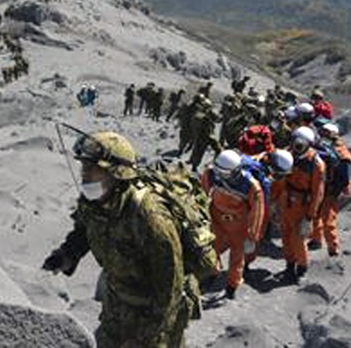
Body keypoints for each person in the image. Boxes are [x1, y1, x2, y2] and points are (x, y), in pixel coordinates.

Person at [43, 131, 186, 347]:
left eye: (93, 169)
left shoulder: (149, 215)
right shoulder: (94, 200)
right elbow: (84, 229)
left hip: (154, 311)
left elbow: (171, 284)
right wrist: (68, 254)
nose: (85, 174)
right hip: (117, 301)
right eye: (84, 167)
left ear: (117, 173)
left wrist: (154, 334)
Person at [200, 151, 264, 299]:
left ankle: (232, 285)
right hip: (216, 218)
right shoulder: (211, 174)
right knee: (212, 248)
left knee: (237, 255)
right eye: (219, 171)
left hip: (239, 223)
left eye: (225, 173)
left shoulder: (251, 186)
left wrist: (252, 235)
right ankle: (212, 273)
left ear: (236, 171)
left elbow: (257, 211)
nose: (221, 176)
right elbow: (202, 193)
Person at [279, 126, 325, 282]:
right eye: (295, 143)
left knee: (298, 240)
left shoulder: (315, 164)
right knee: (285, 237)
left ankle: (302, 267)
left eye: (301, 144)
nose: (297, 147)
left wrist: (310, 217)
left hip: (302, 206)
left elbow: (317, 193)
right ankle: (289, 265)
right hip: (286, 202)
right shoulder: (288, 155)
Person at [309, 123, 351, 256]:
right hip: (321, 186)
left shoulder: (342, 153)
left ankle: (333, 248)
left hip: (330, 189)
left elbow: (345, 177)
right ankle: (316, 239)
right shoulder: (325, 148)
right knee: (315, 214)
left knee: (328, 220)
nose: (322, 135)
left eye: (325, 133)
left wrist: (336, 190)